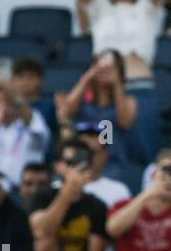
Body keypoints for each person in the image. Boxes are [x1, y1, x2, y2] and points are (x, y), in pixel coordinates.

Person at [28, 139, 110, 251]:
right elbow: (41, 229)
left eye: (81, 163)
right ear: (58, 166)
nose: (75, 169)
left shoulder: (97, 206)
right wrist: (66, 195)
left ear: (90, 168)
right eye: (70, 163)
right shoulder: (42, 196)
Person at [57, 50, 139, 179]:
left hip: (111, 164)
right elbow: (65, 112)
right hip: (81, 160)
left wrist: (117, 83)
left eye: (111, 68)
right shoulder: (83, 100)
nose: (105, 71)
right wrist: (87, 78)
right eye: (100, 67)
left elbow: (125, 121)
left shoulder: (128, 100)